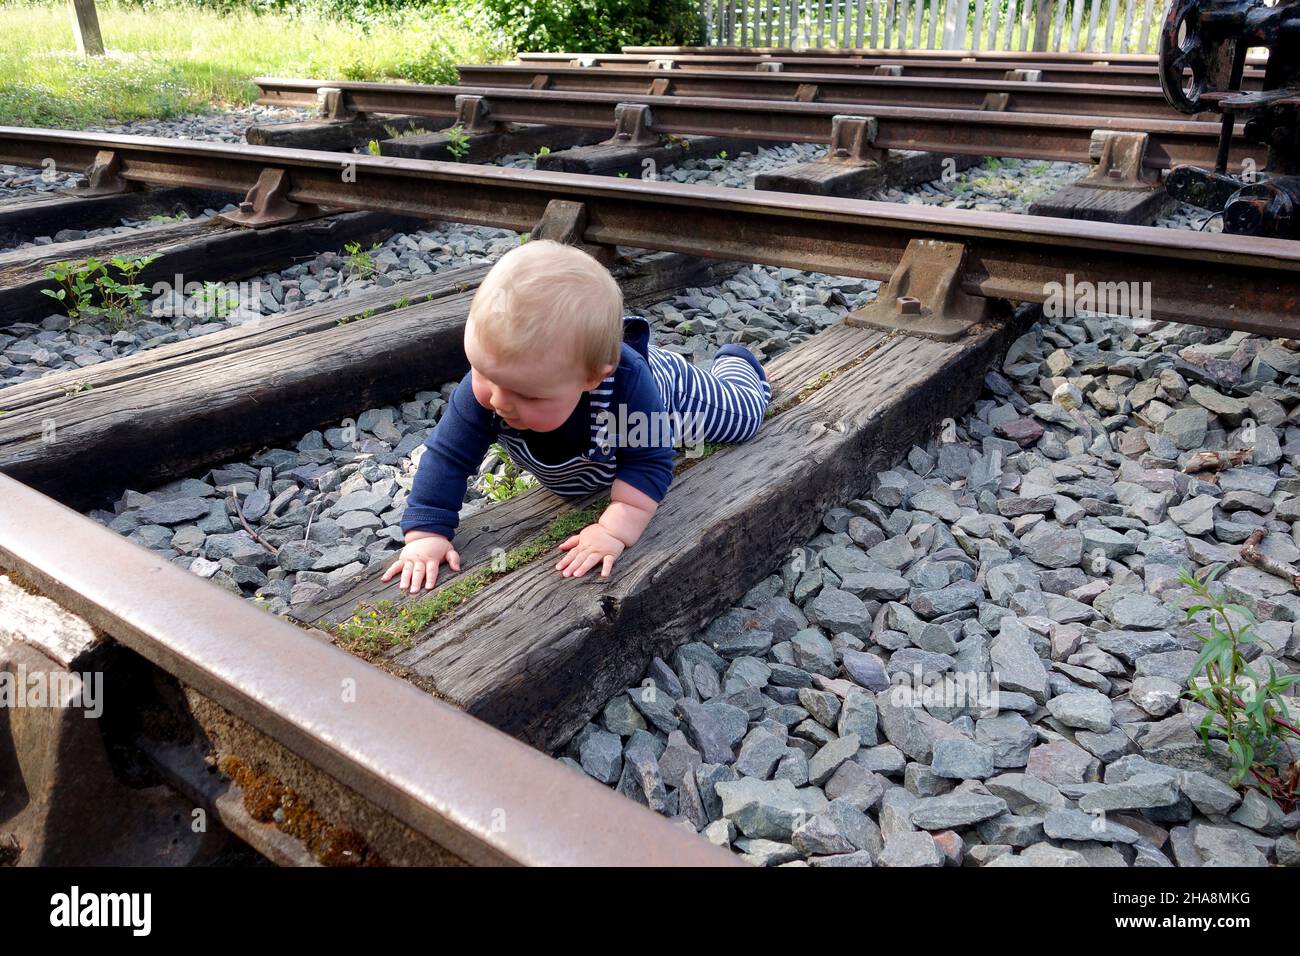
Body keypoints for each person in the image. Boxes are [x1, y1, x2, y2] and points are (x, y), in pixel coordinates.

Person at [382, 239, 772, 594]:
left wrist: (614, 528)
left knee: (743, 417)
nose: (499, 401)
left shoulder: (626, 389)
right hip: (595, 431)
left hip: (673, 397)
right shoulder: (491, 388)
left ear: (590, 379)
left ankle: (738, 363)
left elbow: (649, 461)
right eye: (484, 373)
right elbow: (448, 456)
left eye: (526, 394)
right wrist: (426, 532)